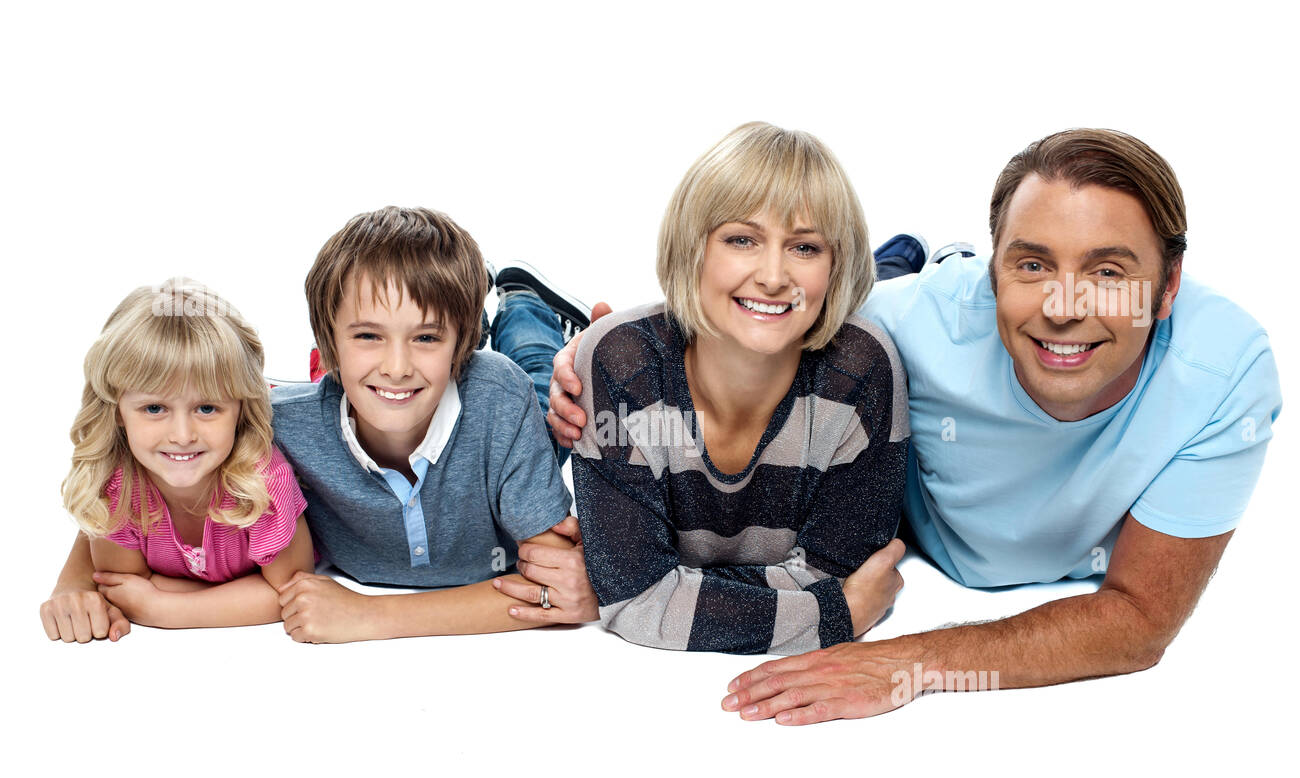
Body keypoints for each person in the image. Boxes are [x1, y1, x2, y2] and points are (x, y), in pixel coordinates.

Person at [547, 128, 1283, 720]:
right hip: (911, 304)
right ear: (993, 271)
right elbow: (751, 315)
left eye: (1109, 273)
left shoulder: (1224, 373)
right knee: (876, 287)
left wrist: (911, 662)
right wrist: (587, 354)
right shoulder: (900, 335)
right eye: (1030, 265)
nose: (1063, 306)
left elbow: (1140, 619)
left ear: (1170, 288)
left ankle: (903, 255)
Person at [569, 122, 912, 655]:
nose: (773, 276)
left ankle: (908, 258)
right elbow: (634, 599)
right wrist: (835, 616)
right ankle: (524, 304)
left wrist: (674, 590)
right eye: (741, 239)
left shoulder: (863, 370)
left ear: (835, 264)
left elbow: (835, 570)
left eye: (804, 247)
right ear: (694, 248)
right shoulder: (619, 362)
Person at [269, 206, 599, 642]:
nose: (397, 367)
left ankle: (524, 301)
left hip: (503, 411)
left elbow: (554, 588)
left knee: (540, 383)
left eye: (426, 336)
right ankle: (471, 305)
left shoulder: (498, 397)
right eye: (368, 335)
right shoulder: (281, 426)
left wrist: (369, 616)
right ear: (327, 343)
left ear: (462, 345)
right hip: (417, 393)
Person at [45, 278, 314, 637]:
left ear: (240, 409)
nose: (183, 436)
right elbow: (123, 587)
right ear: (117, 412)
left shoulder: (263, 480)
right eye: (154, 408)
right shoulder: (117, 485)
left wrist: (165, 607)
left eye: (207, 407)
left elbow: (294, 593)